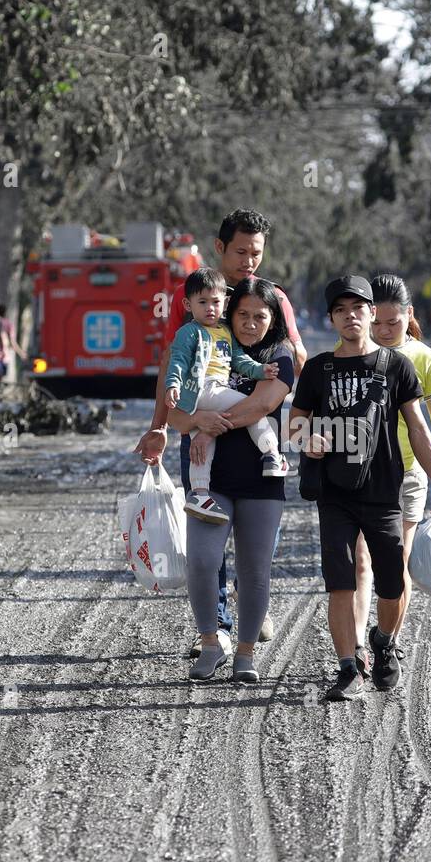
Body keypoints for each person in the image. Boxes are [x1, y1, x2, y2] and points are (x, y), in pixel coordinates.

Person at [134, 209, 306, 649]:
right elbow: (170, 361)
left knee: (255, 536)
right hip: (199, 421)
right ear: (220, 248)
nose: (250, 261)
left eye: (257, 253)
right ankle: (218, 625)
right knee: (209, 521)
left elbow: (295, 357)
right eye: (241, 252)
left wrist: (295, 412)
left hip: (251, 424)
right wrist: (163, 427)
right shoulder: (192, 294)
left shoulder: (273, 298)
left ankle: (253, 604)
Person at [290, 275, 431, 702]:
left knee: (392, 581)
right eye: (340, 310)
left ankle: (383, 641)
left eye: (357, 309)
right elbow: (295, 420)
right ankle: (347, 668)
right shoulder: (318, 369)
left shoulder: (396, 367)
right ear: (331, 319)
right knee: (339, 580)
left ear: (371, 313)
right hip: (333, 493)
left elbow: (418, 428)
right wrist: (306, 439)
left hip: (383, 491)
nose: (350, 316)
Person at [165, 278, 295, 682]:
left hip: (261, 477)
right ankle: (209, 642)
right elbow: (174, 413)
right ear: (228, 312)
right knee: (202, 562)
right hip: (210, 479)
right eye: (243, 314)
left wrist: (208, 429)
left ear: (272, 319)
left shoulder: (280, 354)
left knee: (255, 570)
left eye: (260, 316)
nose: (251, 323)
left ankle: (246, 653)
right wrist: (191, 422)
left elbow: (264, 402)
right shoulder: (201, 342)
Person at [352, 275, 431, 659]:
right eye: (377, 322)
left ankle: (387, 639)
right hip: (359, 474)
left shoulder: (425, 359)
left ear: (409, 315)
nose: (385, 331)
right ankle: (355, 650)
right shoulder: (351, 352)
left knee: (396, 562)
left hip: (408, 473)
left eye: (394, 322)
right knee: (359, 562)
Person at [164, 267, 287, 523]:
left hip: (207, 399)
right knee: (252, 413)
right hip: (205, 389)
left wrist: (259, 370)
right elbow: (177, 361)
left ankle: (199, 493)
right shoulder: (189, 332)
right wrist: (173, 385)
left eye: (216, 302)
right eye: (203, 302)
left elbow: (239, 360)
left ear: (225, 303)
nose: (210, 308)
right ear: (188, 304)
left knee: (201, 448)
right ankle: (273, 455)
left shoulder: (225, 332)